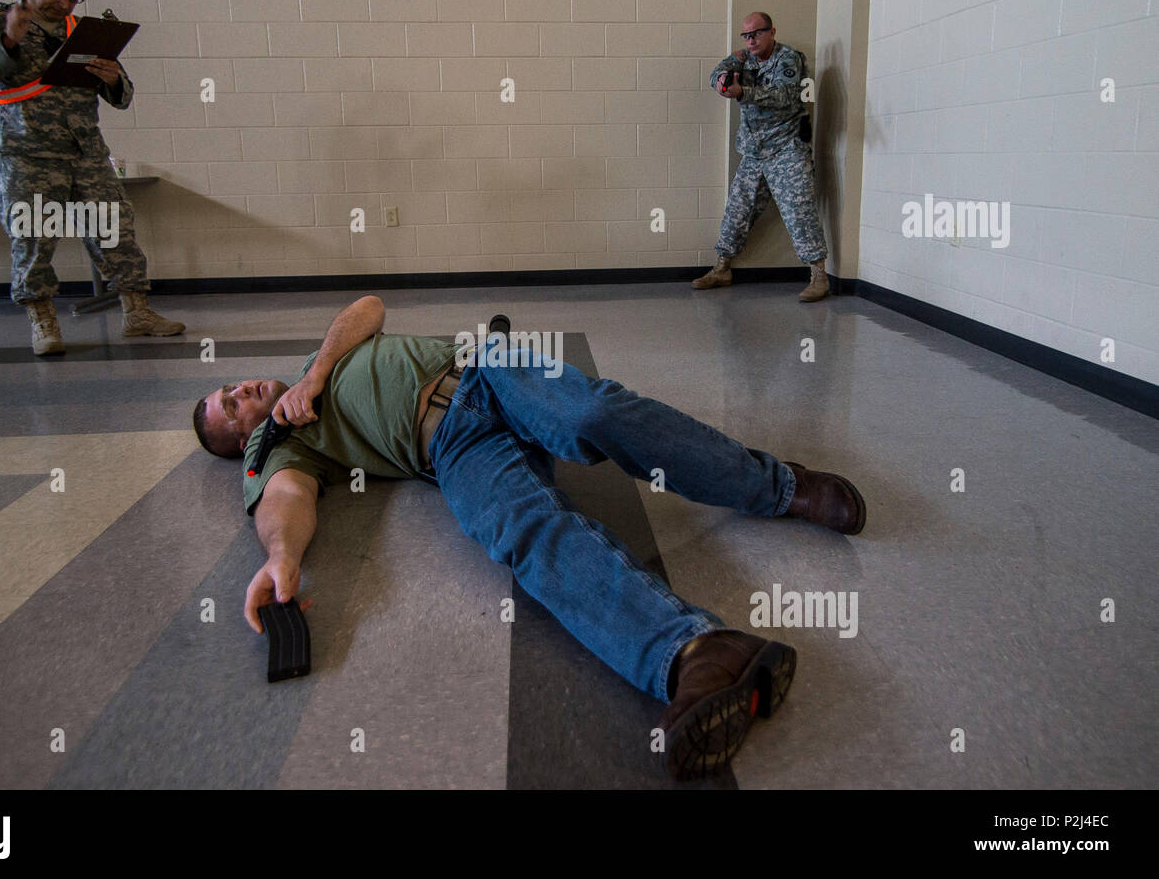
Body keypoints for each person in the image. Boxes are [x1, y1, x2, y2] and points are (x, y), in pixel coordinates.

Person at [192, 296, 867, 780]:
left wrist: (316, 373)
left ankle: (778, 485)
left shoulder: (325, 355)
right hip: (453, 449)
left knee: (589, 414)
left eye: (231, 386)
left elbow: (368, 307)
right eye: (231, 405)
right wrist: (281, 555)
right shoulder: (282, 444)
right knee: (519, 532)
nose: (240, 388)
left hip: (485, 373)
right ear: (241, 439)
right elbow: (283, 499)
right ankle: (697, 650)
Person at [0, 0, 184, 356]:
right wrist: (7, 41)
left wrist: (114, 80)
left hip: (86, 151)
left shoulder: (82, 29)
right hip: (27, 154)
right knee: (33, 239)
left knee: (115, 232)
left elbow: (122, 95)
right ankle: (43, 323)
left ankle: (137, 313)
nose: (63, 4)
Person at [694, 12, 830, 303]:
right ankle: (722, 268)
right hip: (754, 151)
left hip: (787, 149)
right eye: (746, 35)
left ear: (772, 32)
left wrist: (743, 92)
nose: (751, 40)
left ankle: (819, 276)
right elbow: (715, 75)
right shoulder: (743, 58)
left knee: (799, 210)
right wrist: (722, 84)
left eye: (757, 33)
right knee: (737, 210)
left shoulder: (789, 59)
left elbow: (785, 96)